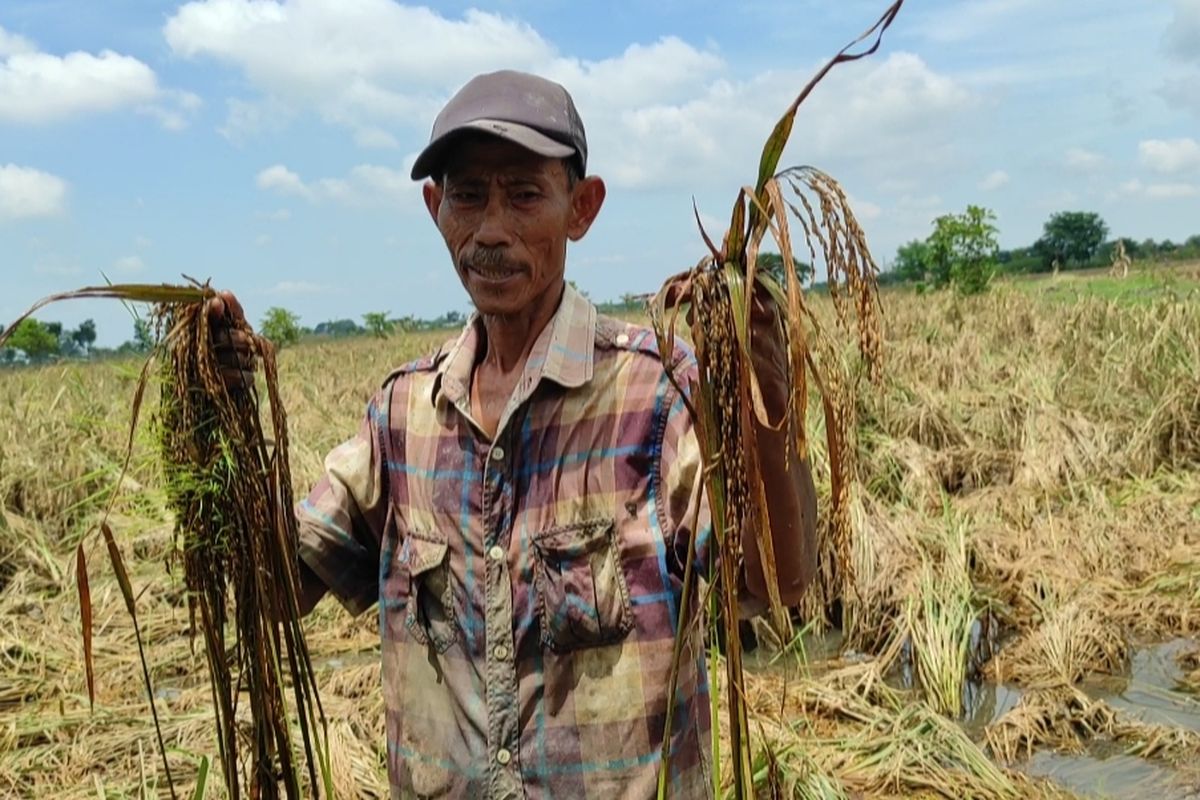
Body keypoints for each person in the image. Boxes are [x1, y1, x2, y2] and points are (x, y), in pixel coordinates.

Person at [209, 69, 817, 800]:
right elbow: (271, 592)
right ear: (436, 209)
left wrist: (768, 400)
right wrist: (225, 424)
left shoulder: (657, 393)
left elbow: (778, 582)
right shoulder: (403, 415)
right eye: (468, 195)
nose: (492, 229)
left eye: (525, 194)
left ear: (580, 208)